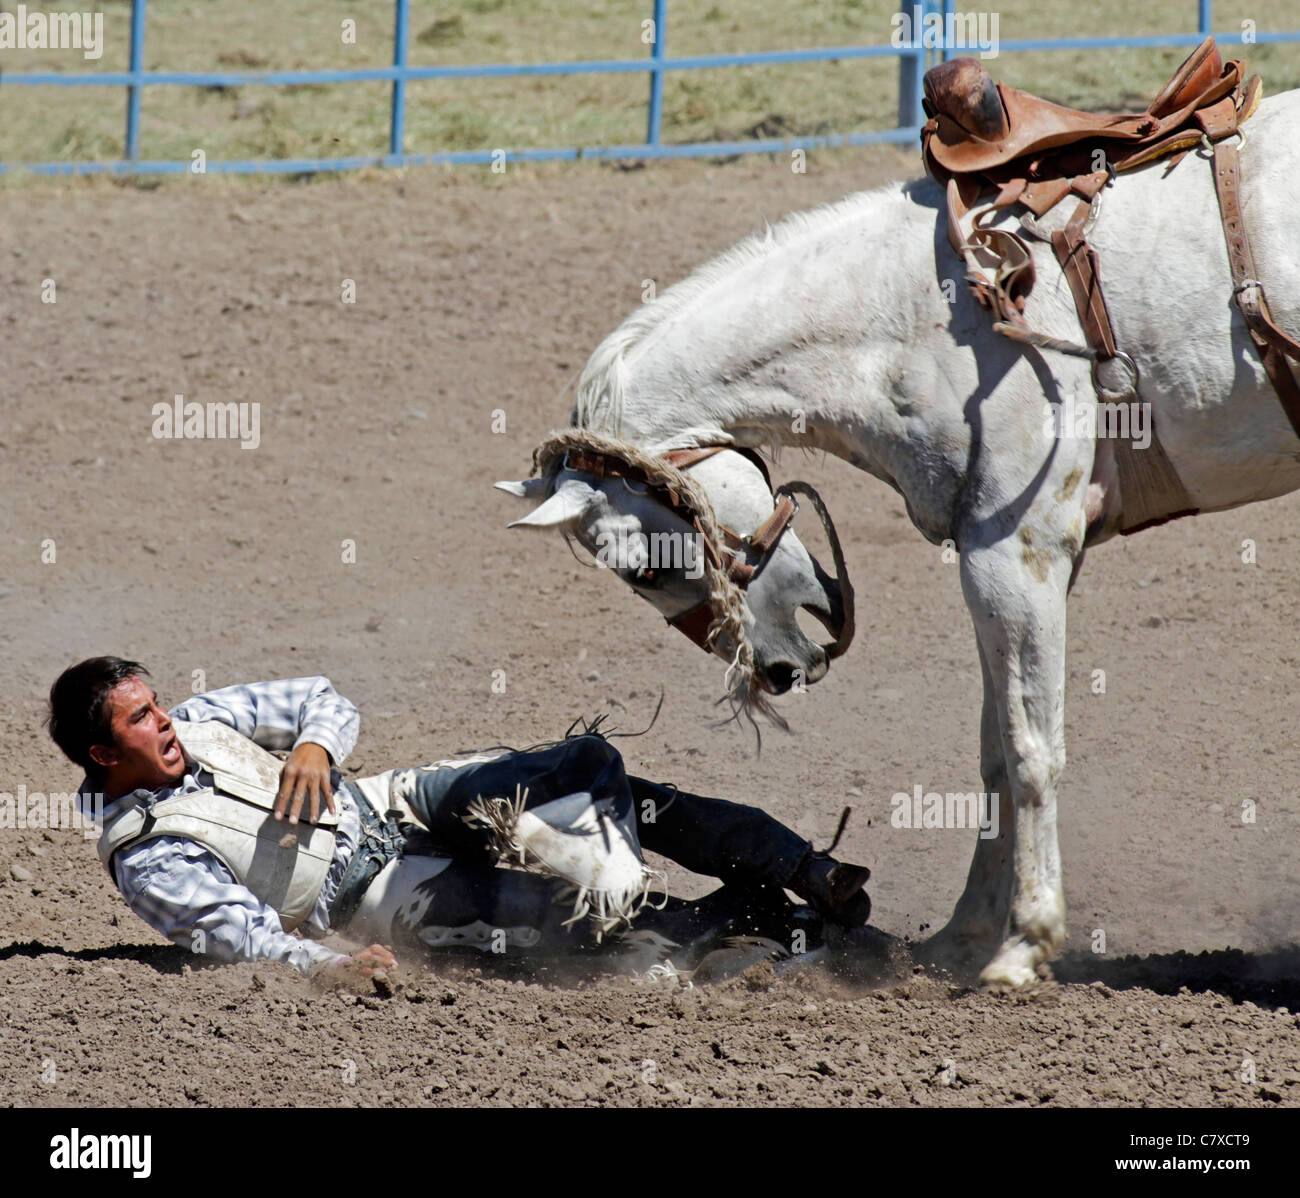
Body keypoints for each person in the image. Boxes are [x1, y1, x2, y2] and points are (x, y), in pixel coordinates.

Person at [46, 657, 871, 985]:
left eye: (156, 704)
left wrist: (314, 749)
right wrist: (324, 966)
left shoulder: (197, 720)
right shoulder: (149, 858)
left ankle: (799, 865)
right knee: (573, 929)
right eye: (140, 720)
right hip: (375, 895)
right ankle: (780, 923)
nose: (164, 722)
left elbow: (318, 697)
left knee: (585, 766)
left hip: (390, 799)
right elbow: (236, 935)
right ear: (103, 753)